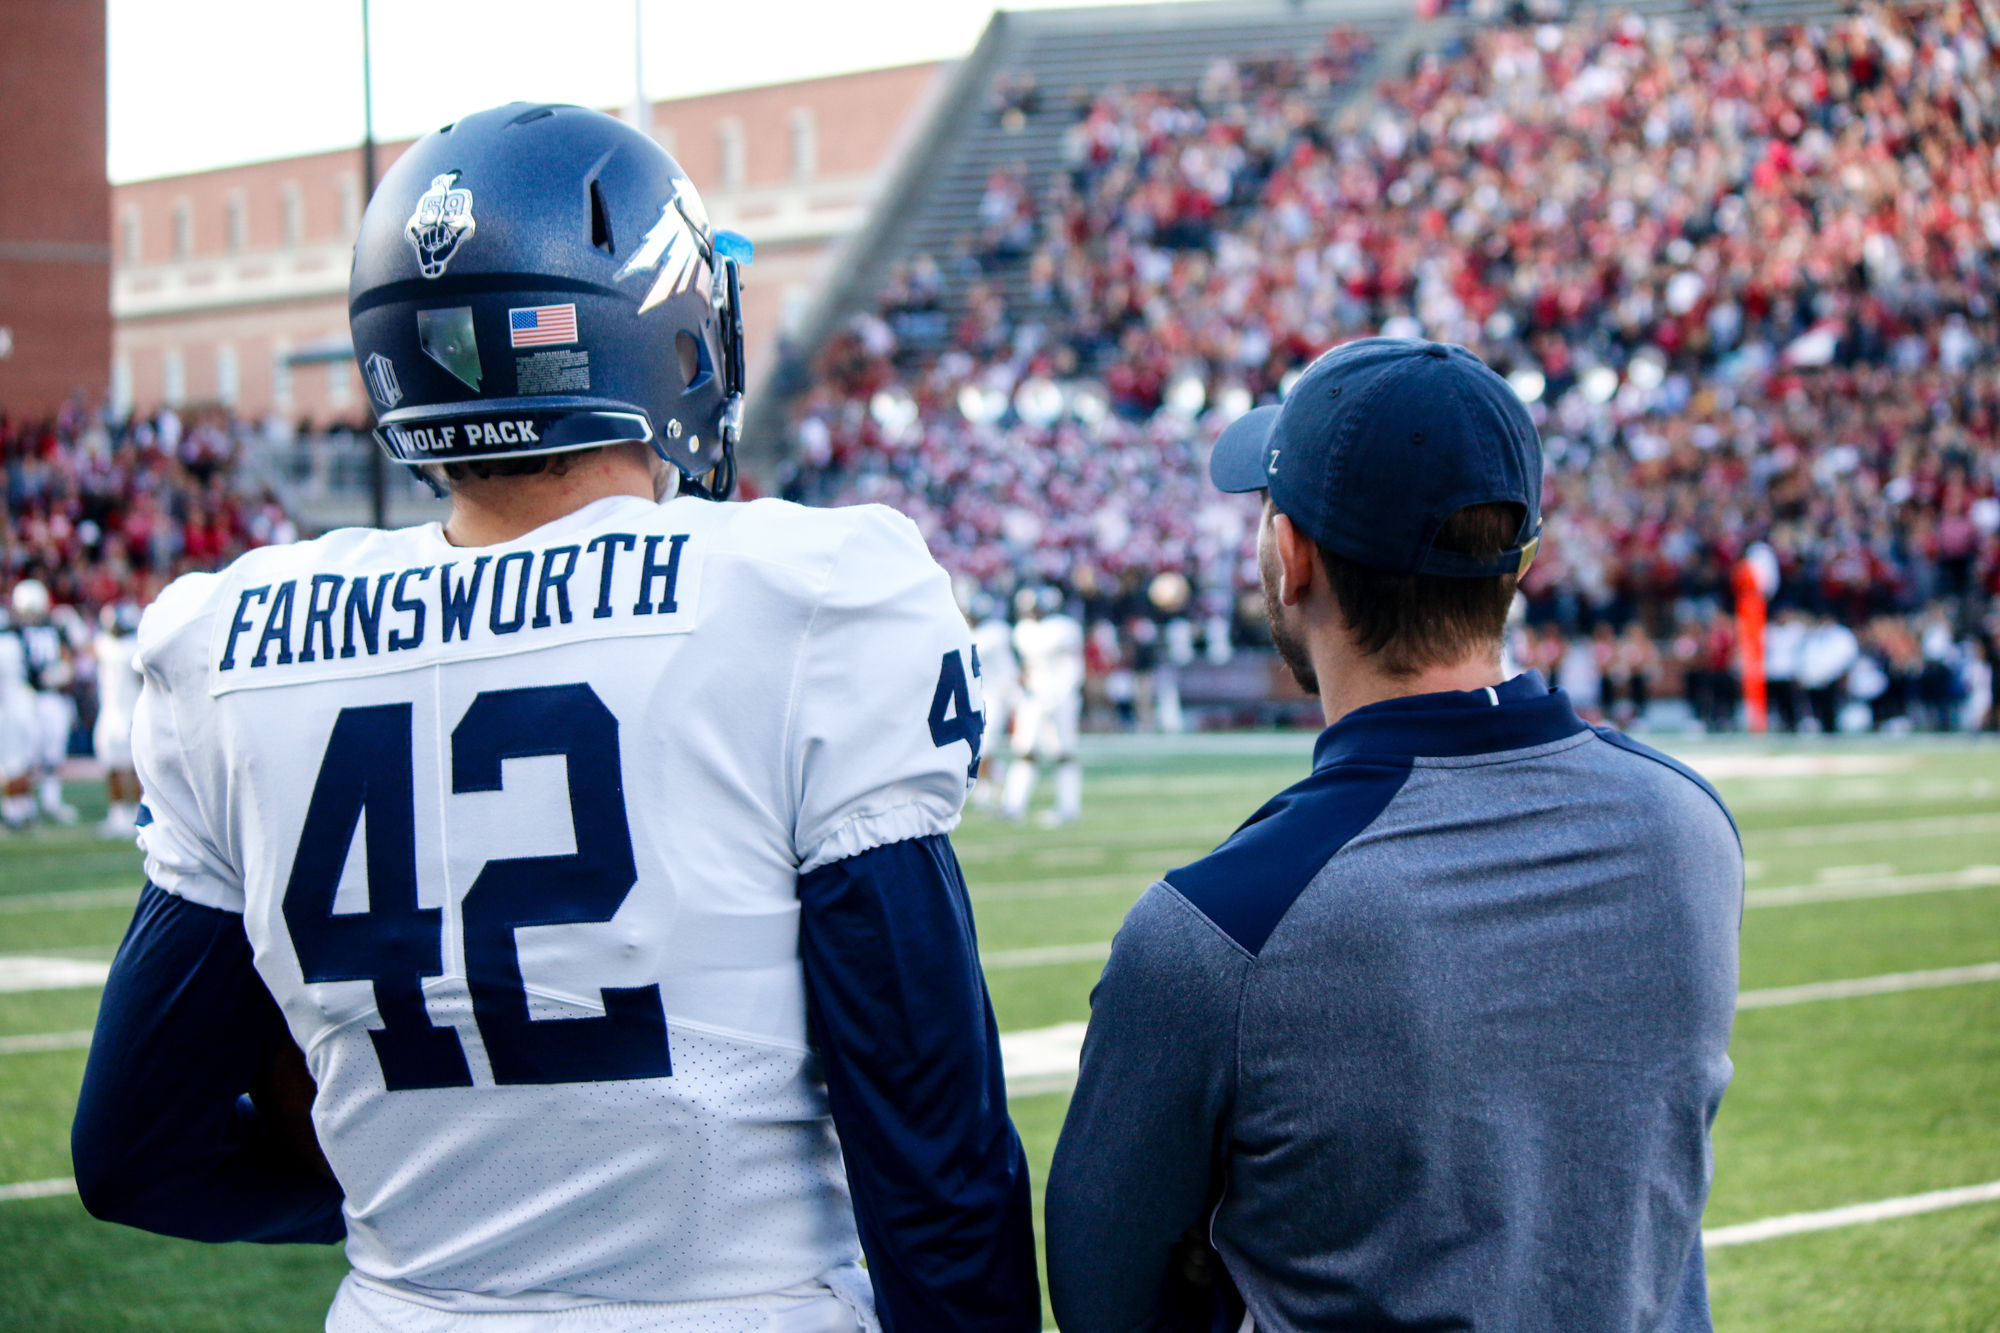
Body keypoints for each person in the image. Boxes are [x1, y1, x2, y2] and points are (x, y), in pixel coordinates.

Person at [72, 104, 1039, 1333]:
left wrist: (413, 1211)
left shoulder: (231, 639)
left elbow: (133, 1151)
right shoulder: (800, 595)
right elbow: (929, 1152)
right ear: (670, 334)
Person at [1046, 339, 1742, 1333]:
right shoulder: (1688, 828)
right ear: (1522, 558)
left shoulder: (1215, 928)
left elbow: (1104, 1297)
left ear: (1291, 559)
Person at [1002, 587, 1085, 826]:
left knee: (1064, 753)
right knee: (1025, 751)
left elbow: (1069, 664)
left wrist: (1062, 693)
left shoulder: (1062, 628)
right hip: (1035, 696)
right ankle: (1013, 805)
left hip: (1061, 696)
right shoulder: (1024, 630)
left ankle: (1069, 807)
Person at [13, 579, 78, 824]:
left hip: (52, 698)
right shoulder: (14, 630)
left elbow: (67, 657)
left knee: (53, 753)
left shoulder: (56, 626)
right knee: (27, 754)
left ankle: (51, 802)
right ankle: (24, 805)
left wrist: (62, 672)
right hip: (27, 697)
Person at [92, 602, 144, 839]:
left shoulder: (131, 648)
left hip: (130, 711)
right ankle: (118, 815)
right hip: (110, 711)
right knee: (112, 765)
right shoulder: (107, 645)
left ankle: (137, 812)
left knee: (136, 767)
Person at [969, 597, 1020, 811]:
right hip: (978, 694)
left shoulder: (994, 632)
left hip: (997, 693)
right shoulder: (972, 632)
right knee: (977, 746)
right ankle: (993, 781)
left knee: (985, 745)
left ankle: (989, 788)